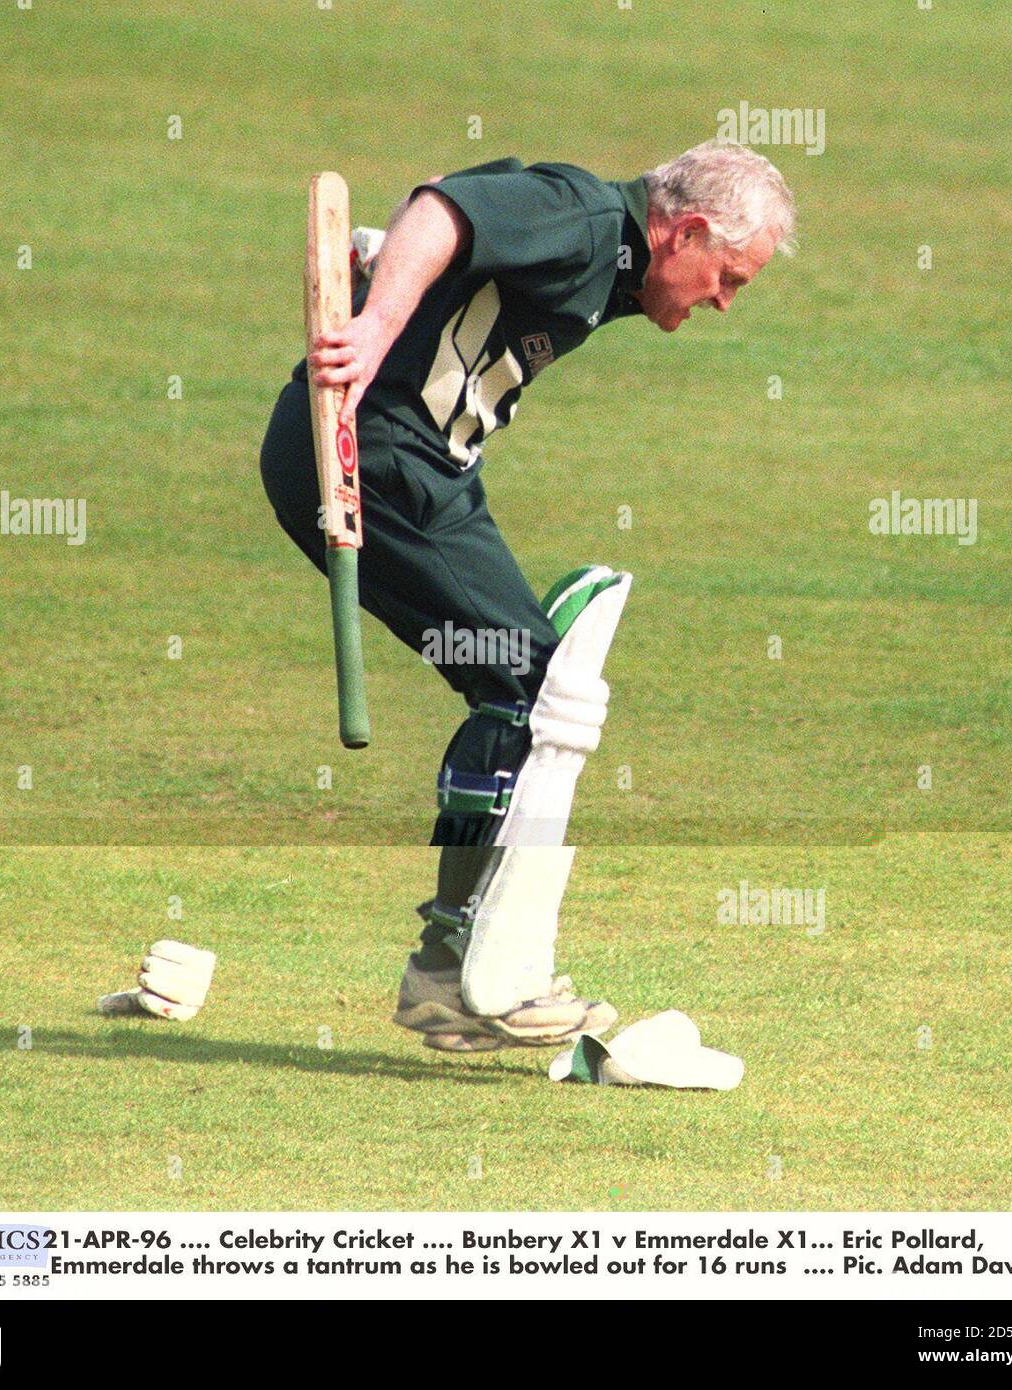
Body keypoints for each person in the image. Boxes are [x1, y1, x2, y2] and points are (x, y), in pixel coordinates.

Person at [260, 139, 796, 1054]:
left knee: (527, 684)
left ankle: (458, 975)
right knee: (527, 685)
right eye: (728, 277)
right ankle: (454, 972)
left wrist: (384, 265)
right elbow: (449, 210)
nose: (722, 300)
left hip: (432, 472)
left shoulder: (617, 261)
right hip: (379, 456)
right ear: (688, 231)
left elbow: (454, 242)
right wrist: (381, 322)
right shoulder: (587, 221)